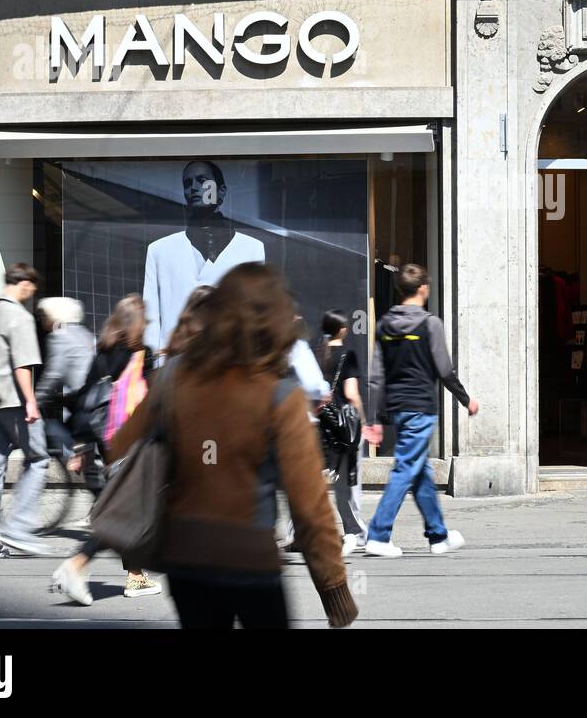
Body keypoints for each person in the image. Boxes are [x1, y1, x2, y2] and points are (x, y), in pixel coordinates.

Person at [108, 263, 358, 629]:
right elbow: (310, 505)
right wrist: (334, 589)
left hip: (186, 558)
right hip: (249, 560)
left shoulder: (173, 376)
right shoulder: (280, 395)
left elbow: (120, 447)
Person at [49, 295, 159, 604]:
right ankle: (75, 564)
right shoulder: (141, 354)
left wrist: (82, 445)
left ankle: (135, 576)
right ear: (137, 323)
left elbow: (84, 400)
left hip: (108, 446)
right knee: (120, 516)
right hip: (135, 444)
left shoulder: (102, 352)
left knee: (126, 514)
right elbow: (154, 400)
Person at [363, 263, 477, 557]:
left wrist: (373, 418)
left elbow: (376, 375)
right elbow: (444, 369)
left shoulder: (385, 324)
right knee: (405, 469)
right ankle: (378, 534)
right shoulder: (430, 324)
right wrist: (466, 400)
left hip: (398, 410)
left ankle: (438, 536)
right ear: (423, 288)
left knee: (420, 470)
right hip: (421, 407)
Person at [142, 160, 264, 357]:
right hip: (176, 365)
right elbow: (151, 317)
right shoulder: (159, 251)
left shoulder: (251, 249)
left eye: (202, 180)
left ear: (222, 191)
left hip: (229, 364)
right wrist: (154, 366)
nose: (194, 188)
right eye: (188, 183)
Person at [0, 262, 50, 558]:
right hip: (15, 403)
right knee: (39, 458)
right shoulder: (19, 317)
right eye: (32, 287)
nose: (32, 293)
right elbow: (23, 364)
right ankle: (18, 526)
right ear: (24, 284)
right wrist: (31, 401)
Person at [317, 310, 367, 557]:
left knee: (316, 481)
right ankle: (355, 531)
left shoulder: (317, 354)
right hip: (343, 426)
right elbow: (351, 393)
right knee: (348, 482)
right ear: (343, 330)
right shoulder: (348, 356)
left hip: (320, 425)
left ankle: (299, 530)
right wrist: (364, 421)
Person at [34, 297, 96, 466]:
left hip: (80, 401)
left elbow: (53, 374)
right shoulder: (85, 333)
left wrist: (35, 400)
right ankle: (84, 455)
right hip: (92, 399)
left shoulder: (60, 335)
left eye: (45, 316)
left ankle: (74, 455)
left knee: (51, 426)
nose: (43, 320)